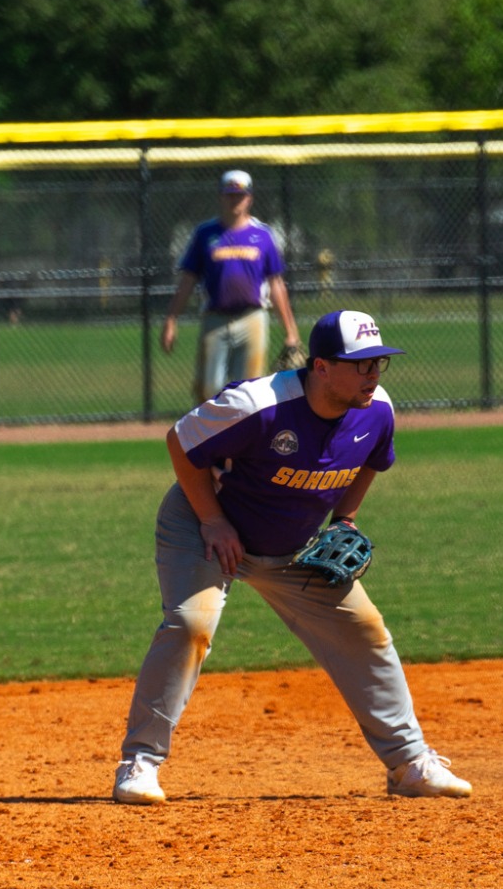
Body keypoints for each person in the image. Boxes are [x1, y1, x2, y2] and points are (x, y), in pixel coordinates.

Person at [112, 309, 471, 805]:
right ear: (321, 366)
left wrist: (345, 519)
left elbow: (372, 461)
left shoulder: (377, 410)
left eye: (378, 363)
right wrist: (213, 521)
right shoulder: (258, 404)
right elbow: (181, 441)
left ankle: (409, 763)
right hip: (206, 529)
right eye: (360, 364)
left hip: (295, 546)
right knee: (191, 625)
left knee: (365, 630)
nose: (372, 374)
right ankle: (140, 763)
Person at [161, 169, 300, 403]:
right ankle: (208, 438)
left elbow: (276, 284)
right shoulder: (205, 234)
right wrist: (171, 320)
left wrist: (291, 331)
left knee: (251, 391)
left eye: (240, 195)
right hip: (215, 319)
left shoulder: (262, 235)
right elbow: (188, 280)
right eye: (230, 195)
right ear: (221, 197)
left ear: (250, 198)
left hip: (252, 318)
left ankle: (246, 438)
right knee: (208, 388)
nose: (235, 200)